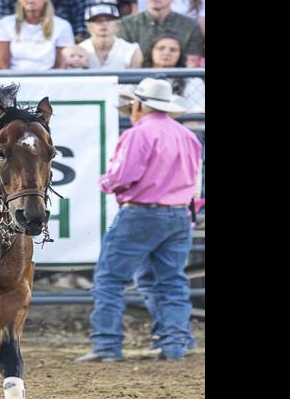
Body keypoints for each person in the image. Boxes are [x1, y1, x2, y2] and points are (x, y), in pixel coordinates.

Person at [79, 79, 201, 363]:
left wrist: (104, 182)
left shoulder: (139, 133)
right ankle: (174, 344)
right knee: (170, 280)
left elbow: (122, 175)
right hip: (180, 214)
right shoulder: (188, 136)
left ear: (139, 104)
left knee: (110, 278)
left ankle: (107, 345)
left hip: (141, 213)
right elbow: (196, 181)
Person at [0, 0, 74, 71]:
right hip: (14, 78)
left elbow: (61, 64)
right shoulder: (4, 24)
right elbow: (3, 64)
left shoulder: (63, 26)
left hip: (49, 78)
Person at [116, 0, 202, 67]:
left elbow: (191, 65)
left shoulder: (190, 26)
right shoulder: (127, 24)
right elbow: (122, 60)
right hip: (136, 81)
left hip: (179, 82)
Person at [78, 1, 140, 69]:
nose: (104, 24)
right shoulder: (79, 51)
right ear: (88, 26)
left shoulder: (131, 51)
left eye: (109, 20)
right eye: (97, 21)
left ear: (117, 24)